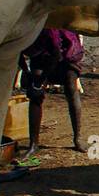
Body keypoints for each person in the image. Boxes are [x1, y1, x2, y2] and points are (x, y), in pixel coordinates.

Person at [17, 28, 85, 157]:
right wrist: (28, 75)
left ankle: (77, 139)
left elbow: (56, 55)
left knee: (71, 89)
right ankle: (33, 144)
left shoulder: (49, 30)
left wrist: (42, 79)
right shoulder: (18, 36)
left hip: (65, 54)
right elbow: (17, 55)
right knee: (35, 96)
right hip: (40, 55)